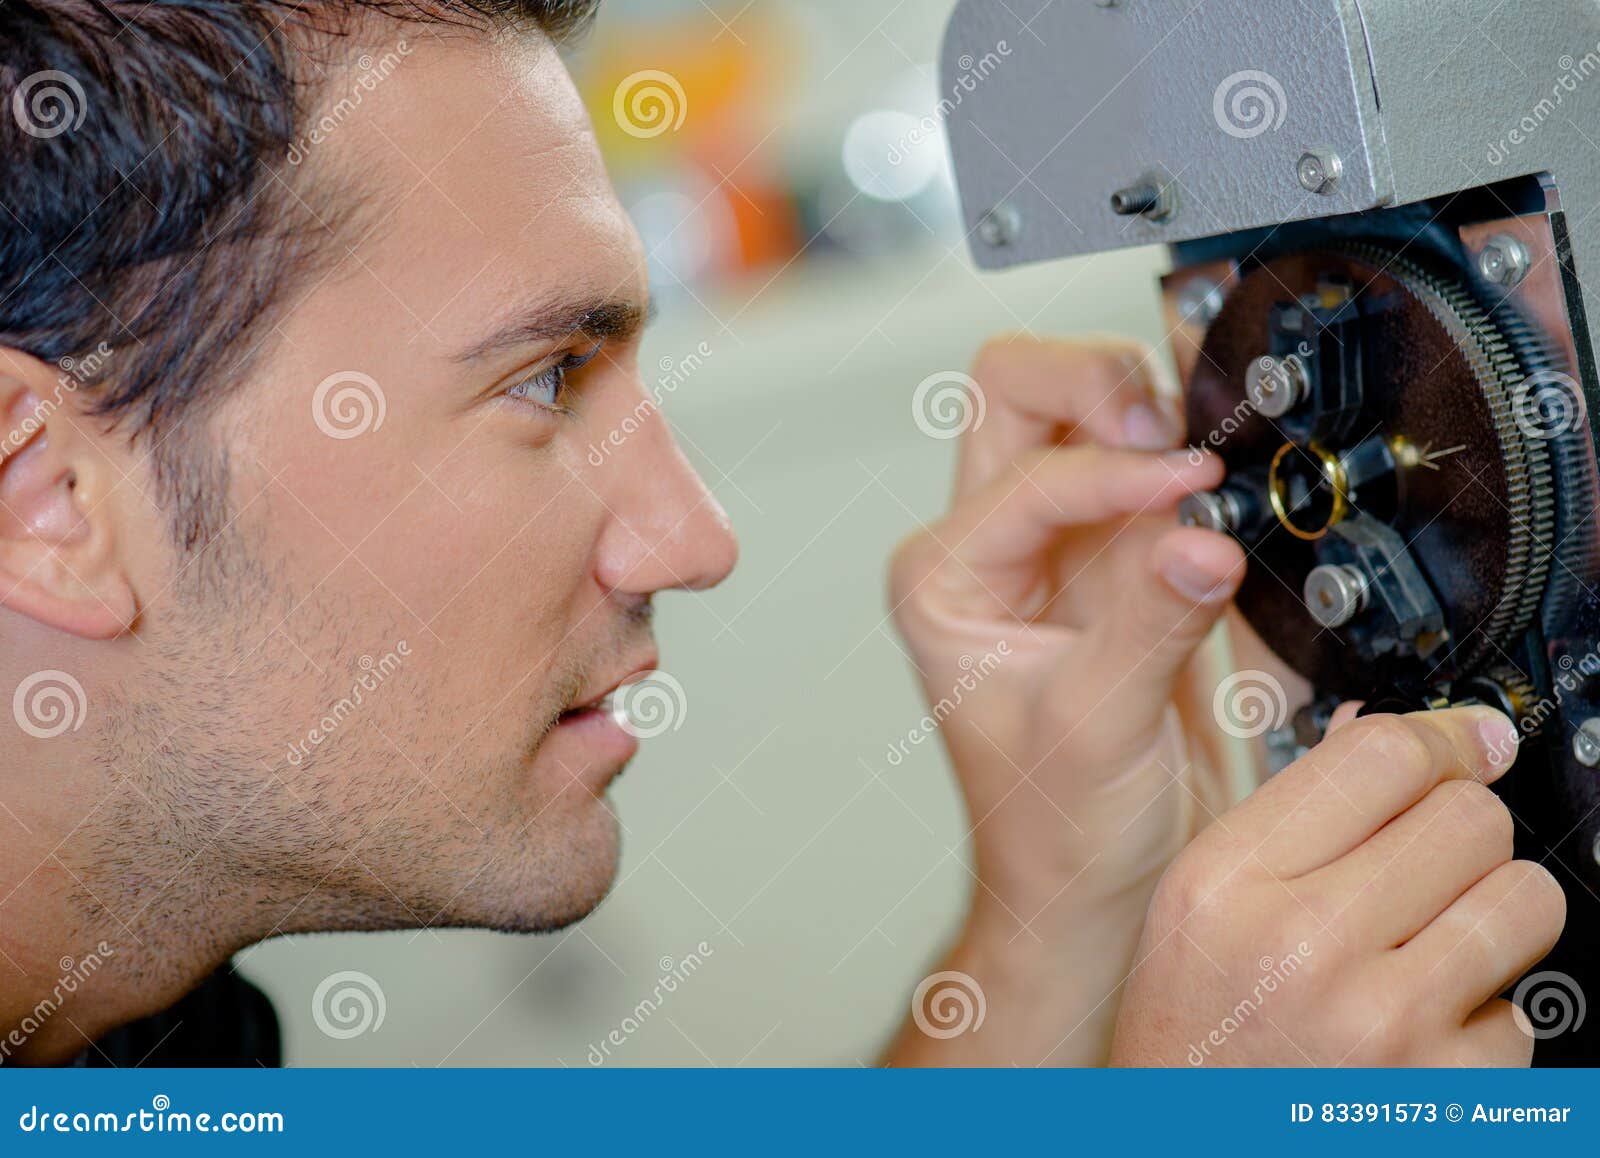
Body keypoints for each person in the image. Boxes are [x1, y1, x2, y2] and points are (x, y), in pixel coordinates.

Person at [0, 0, 1564, 1068]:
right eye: (545, 378)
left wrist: (1050, 908)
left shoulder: (144, 1033)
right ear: (51, 502)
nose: (694, 539)